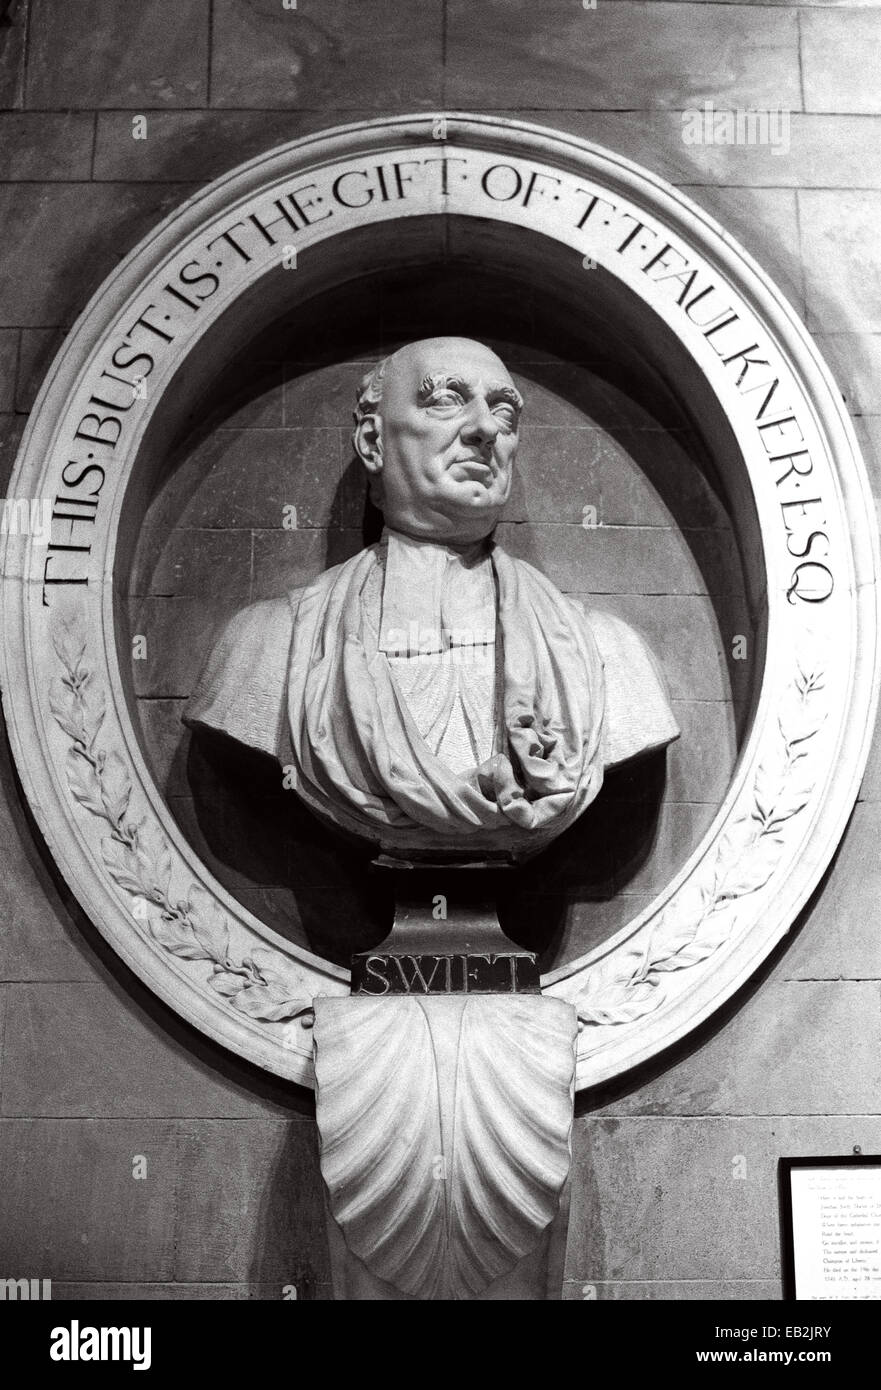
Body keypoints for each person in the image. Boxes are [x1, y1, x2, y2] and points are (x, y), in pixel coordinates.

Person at [184, 337, 678, 859]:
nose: (486, 428)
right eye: (445, 399)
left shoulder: (606, 656)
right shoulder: (271, 645)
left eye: (504, 411)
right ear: (373, 442)